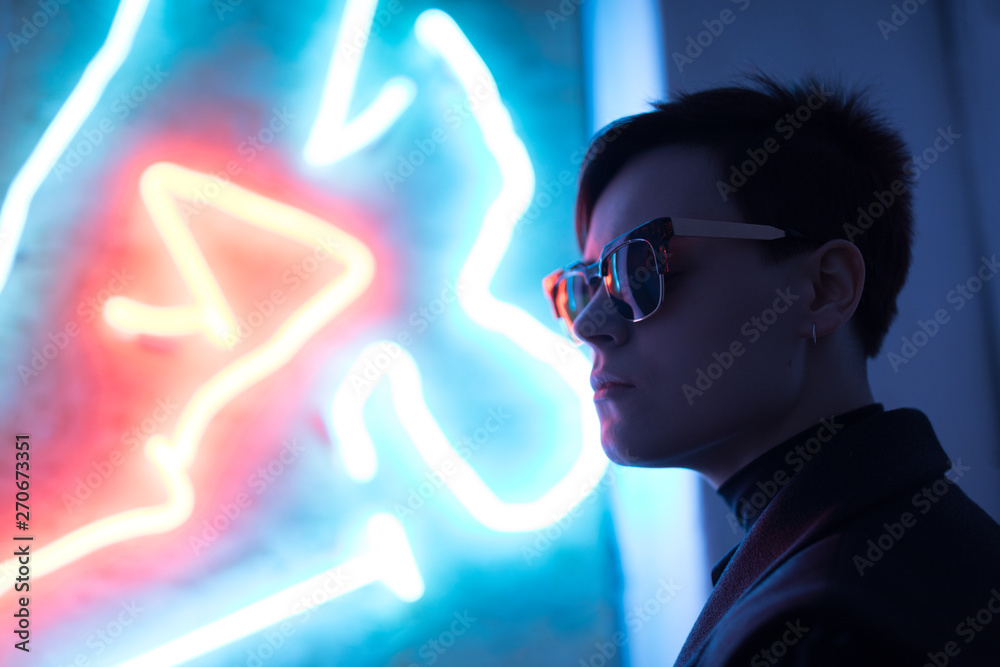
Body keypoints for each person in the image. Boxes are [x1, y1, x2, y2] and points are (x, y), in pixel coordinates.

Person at [542, 73, 1000, 665]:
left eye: (638, 269)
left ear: (822, 289)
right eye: (580, 287)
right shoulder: (886, 552)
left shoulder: (829, 626)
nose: (588, 325)